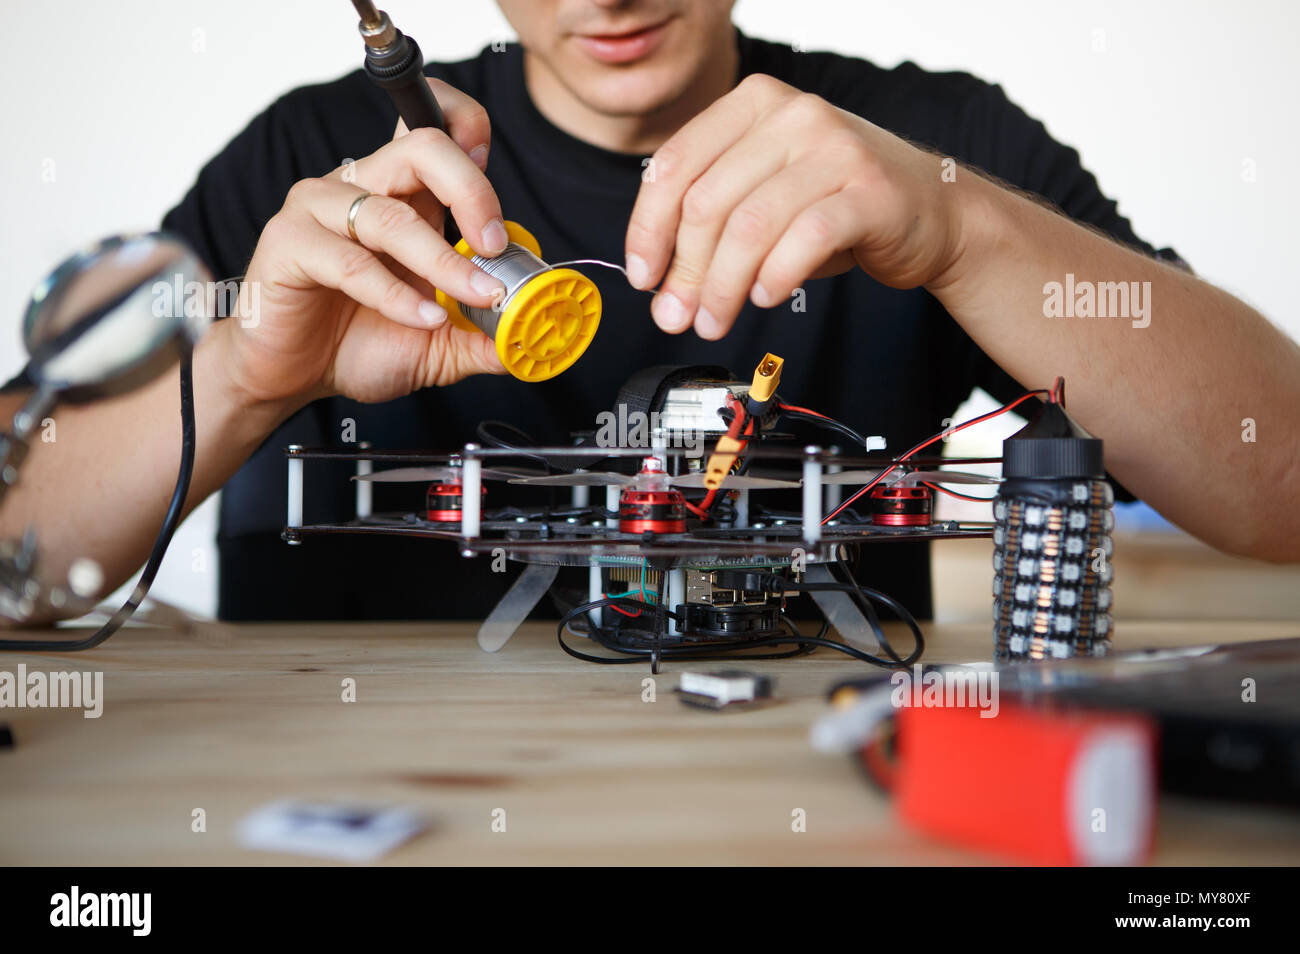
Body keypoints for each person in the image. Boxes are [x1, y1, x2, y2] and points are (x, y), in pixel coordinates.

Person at [3, 0, 1297, 627]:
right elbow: (14, 553)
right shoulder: (312, 164)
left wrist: (963, 233)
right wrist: (242, 376)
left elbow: (1280, 481)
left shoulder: (935, 149)